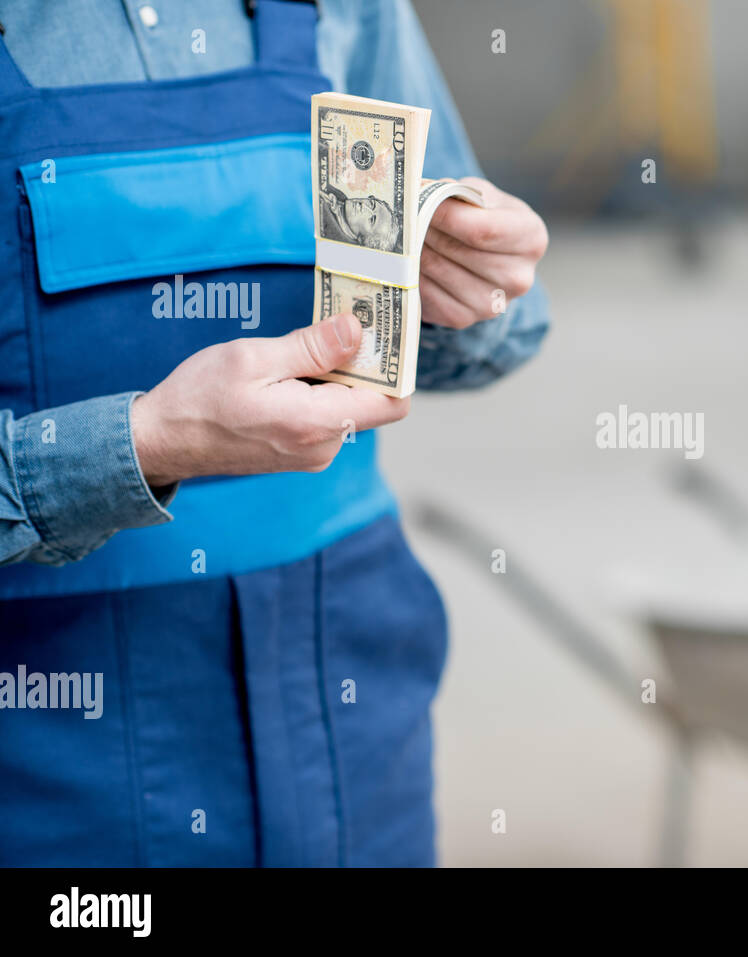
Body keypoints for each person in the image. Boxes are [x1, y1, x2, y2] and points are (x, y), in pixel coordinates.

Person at [0, 0, 550, 866]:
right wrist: (140, 445)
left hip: (355, 714)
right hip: (51, 757)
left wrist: (476, 281)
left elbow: (497, 327)